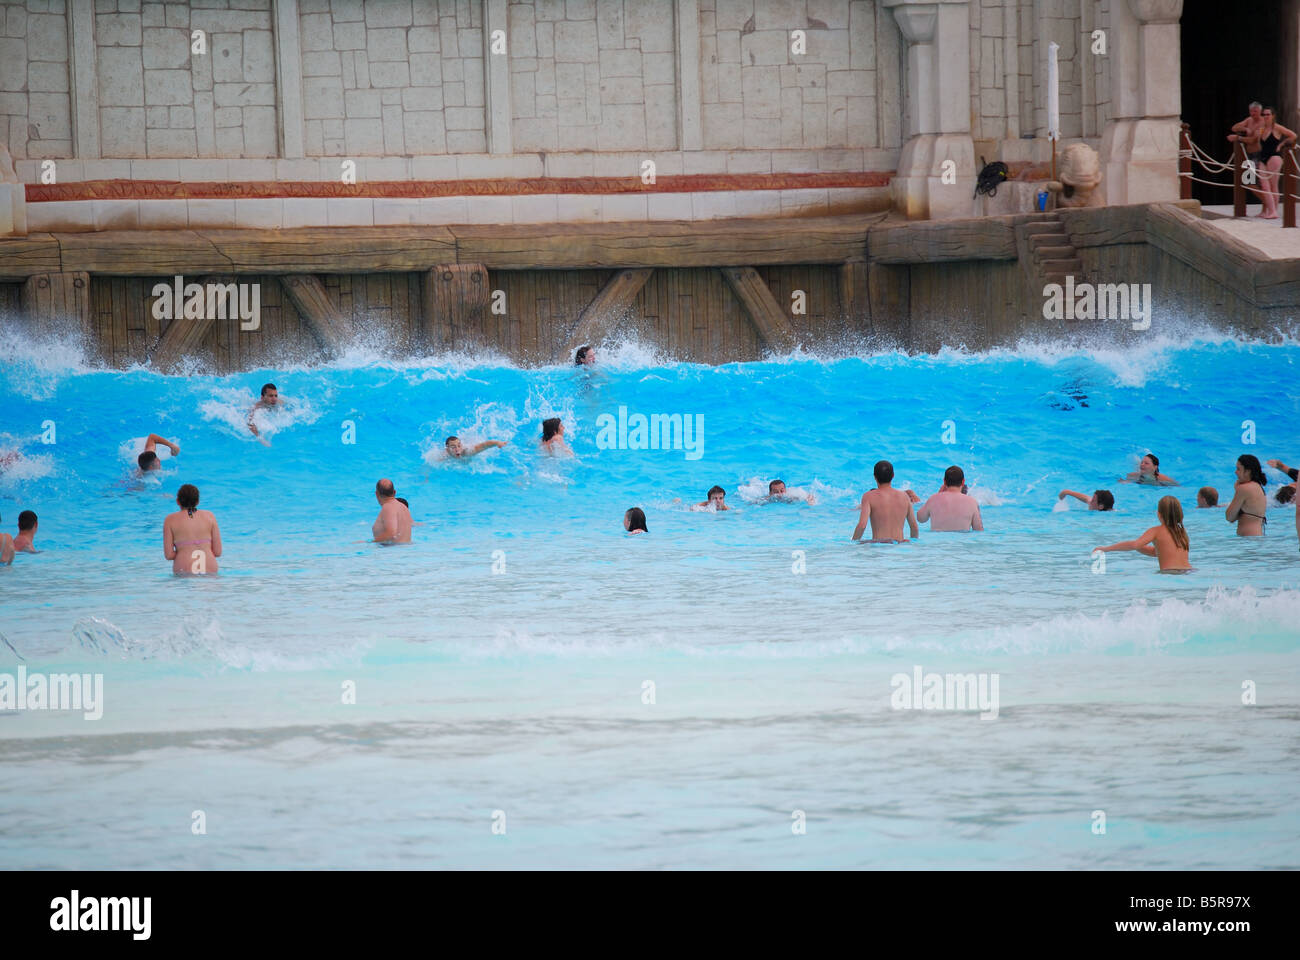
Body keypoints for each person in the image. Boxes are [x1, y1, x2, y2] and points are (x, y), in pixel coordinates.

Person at [1094, 495, 1191, 573]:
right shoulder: (1181, 531)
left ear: (1159, 514)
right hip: (1189, 571)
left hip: (1170, 573)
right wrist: (1138, 546)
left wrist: (1106, 549)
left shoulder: (1156, 531)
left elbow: (1134, 545)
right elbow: (1157, 552)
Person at [851, 460, 919, 543]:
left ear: (875, 477)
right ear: (893, 476)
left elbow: (862, 525)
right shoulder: (904, 497)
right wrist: (914, 544)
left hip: (880, 546)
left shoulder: (868, 496)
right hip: (899, 545)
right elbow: (914, 527)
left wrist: (853, 543)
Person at [163, 484, 222, 575]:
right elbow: (217, 552)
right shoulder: (210, 516)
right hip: (209, 566)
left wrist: (184, 550)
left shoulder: (170, 519)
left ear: (178, 501)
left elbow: (169, 555)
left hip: (184, 568)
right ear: (197, 502)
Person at [1253, 107, 1297, 220]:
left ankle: (1273, 211)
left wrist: (1281, 145)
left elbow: (1293, 135)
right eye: (1264, 114)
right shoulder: (1262, 129)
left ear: (1273, 116)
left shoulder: (1277, 128)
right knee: (1264, 186)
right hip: (1263, 158)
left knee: (1273, 186)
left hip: (1274, 157)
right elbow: (1258, 143)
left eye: (1268, 114)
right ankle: (1270, 210)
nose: (1265, 116)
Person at [917, 466, 983, 531]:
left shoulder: (933, 499)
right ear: (963, 482)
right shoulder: (972, 502)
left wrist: (938, 493)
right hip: (962, 541)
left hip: (937, 541)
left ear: (944, 482)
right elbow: (978, 529)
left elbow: (920, 519)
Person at [1229, 102, 1267, 207]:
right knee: (1248, 182)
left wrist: (1238, 138)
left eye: (1255, 111)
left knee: (1256, 183)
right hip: (1249, 155)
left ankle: (1268, 204)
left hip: (1258, 155)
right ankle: (1266, 205)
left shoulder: (1263, 123)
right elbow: (1234, 128)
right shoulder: (1249, 120)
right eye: (1251, 111)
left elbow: (1254, 140)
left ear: (1260, 111)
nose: (1253, 113)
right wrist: (1245, 129)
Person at [1225, 454, 1268, 536]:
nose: (1235, 472)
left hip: (1248, 539)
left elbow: (1229, 517)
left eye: (1238, 469)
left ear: (1248, 471)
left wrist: (1237, 490)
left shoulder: (1244, 489)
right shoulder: (1258, 486)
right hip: (1257, 536)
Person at [370, 478, 412, 544]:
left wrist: (370, 542)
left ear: (376, 494)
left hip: (392, 552)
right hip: (404, 551)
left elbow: (391, 533)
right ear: (394, 492)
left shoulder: (388, 507)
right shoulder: (404, 507)